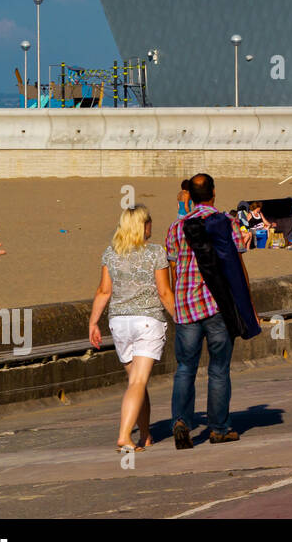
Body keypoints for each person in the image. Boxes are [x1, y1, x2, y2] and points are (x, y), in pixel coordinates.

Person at [166, 174, 246, 448]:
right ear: (213, 192)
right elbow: (237, 267)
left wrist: (179, 299)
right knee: (219, 369)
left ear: (190, 194)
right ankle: (219, 428)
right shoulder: (226, 223)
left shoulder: (177, 228)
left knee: (185, 368)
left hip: (186, 307)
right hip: (217, 306)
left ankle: (181, 421)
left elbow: (175, 269)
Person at [89, 205, 176, 451]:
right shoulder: (156, 253)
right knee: (138, 381)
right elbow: (164, 292)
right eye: (149, 222)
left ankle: (145, 435)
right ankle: (124, 435)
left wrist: (93, 322)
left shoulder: (111, 253)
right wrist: (180, 318)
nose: (151, 226)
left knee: (137, 382)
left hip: (119, 323)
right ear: (142, 225)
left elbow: (104, 291)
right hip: (147, 321)